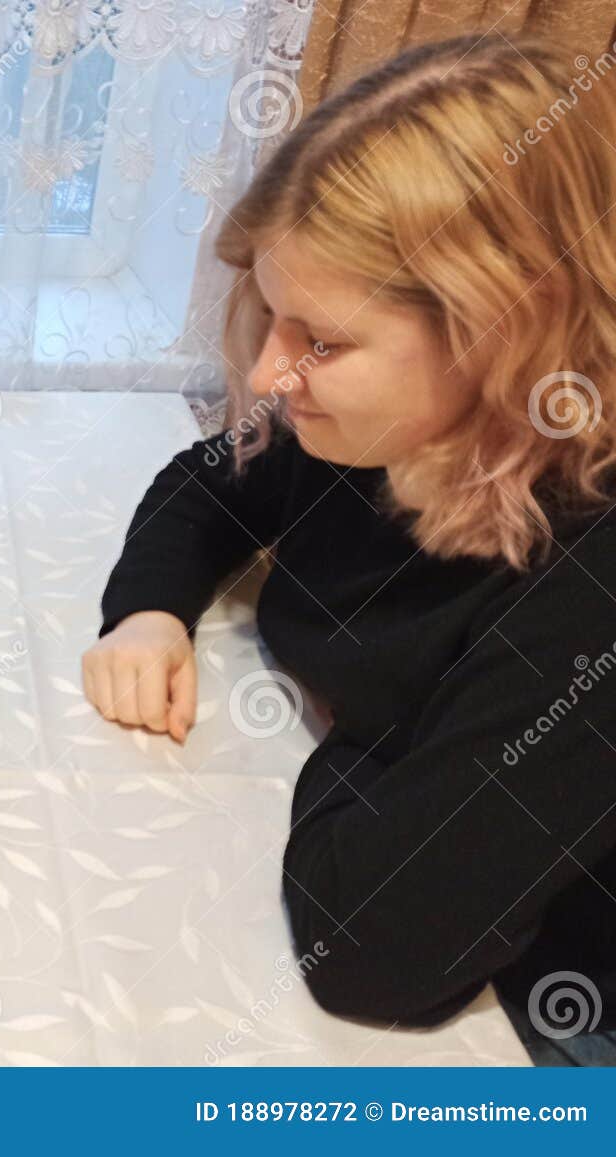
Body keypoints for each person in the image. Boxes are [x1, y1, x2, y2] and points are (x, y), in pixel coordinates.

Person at [84, 34, 616, 1064]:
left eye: (321, 340)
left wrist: (381, 721)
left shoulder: (590, 576)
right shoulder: (389, 423)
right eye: (273, 319)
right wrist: (148, 607)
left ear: (502, 333)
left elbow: (374, 943)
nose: (275, 375)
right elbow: (210, 481)